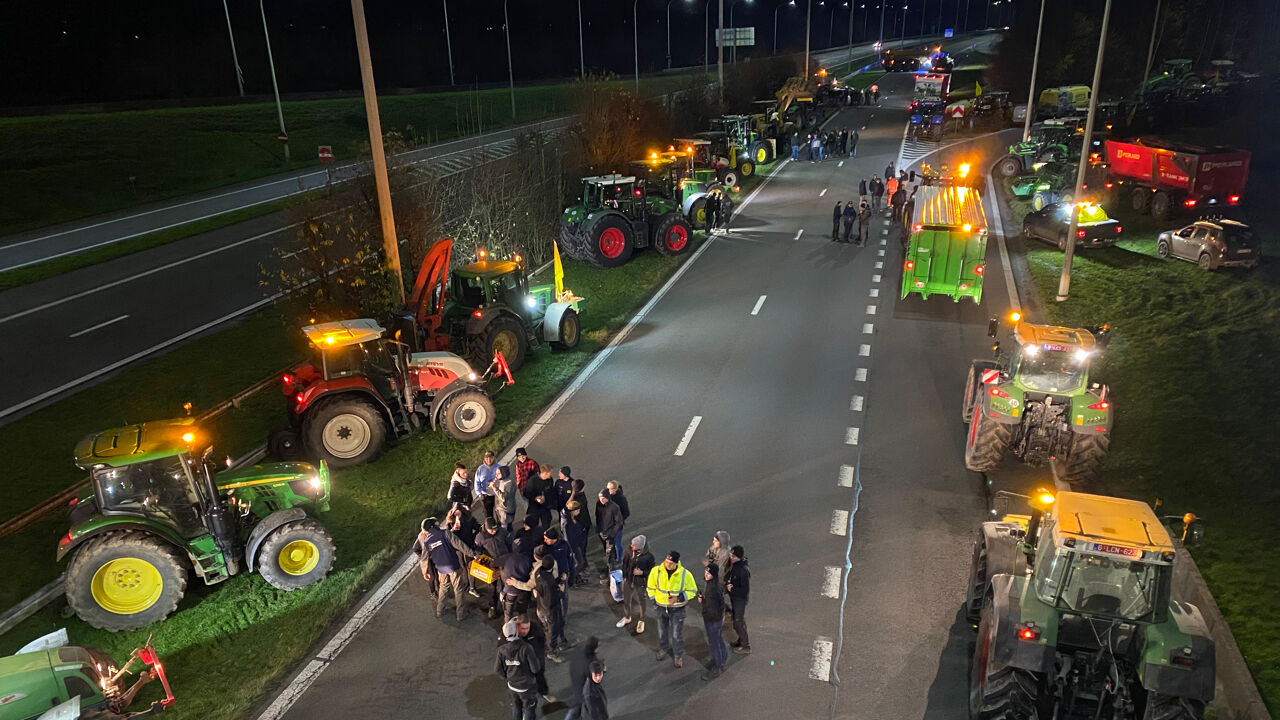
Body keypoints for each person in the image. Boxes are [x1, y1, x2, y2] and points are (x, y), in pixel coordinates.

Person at [647, 550, 699, 668]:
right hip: (661, 607)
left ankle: (678, 655)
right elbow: (650, 587)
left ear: (676, 563)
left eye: (670, 563)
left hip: (677, 609)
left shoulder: (685, 575)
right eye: (666, 562)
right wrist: (654, 601)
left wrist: (678, 598)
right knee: (662, 631)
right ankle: (663, 648)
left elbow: (692, 591)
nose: (667, 565)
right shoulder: (656, 571)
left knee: (676, 634)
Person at [413, 518, 468, 621]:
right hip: (453, 567)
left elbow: (424, 558)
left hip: (441, 569)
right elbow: (460, 545)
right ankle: (461, 614)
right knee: (458, 590)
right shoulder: (445, 533)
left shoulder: (427, 541)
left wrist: (425, 571)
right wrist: (472, 553)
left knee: (443, 587)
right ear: (434, 526)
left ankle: (440, 611)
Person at [496, 619, 541, 720]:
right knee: (529, 707)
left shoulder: (501, 650)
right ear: (516, 631)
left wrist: (508, 677)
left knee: (516, 707)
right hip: (526, 686)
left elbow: (498, 669)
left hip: (512, 685)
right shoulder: (526, 648)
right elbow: (535, 669)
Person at [616, 534, 655, 633]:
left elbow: (652, 571)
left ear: (640, 547)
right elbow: (624, 564)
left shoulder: (649, 557)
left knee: (642, 601)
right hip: (628, 580)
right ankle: (627, 617)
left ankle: (642, 620)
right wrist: (624, 576)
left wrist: (642, 573)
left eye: (634, 545)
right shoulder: (629, 551)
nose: (631, 546)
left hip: (640, 582)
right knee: (626, 599)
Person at [533, 551, 567, 660]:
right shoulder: (548, 582)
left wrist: (559, 580)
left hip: (540, 606)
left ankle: (559, 643)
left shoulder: (539, 572)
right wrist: (561, 591)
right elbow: (551, 598)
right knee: (552, 630)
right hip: (549, 610)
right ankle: (551, 651)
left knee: (550, 628)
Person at [476, 518, 513, 618]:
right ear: (486, 528)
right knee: (492, 587)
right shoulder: (480, 537)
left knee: (507, 584)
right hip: (492, 565)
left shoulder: (503, 532)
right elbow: (478, 551)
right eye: (491, 530)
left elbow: (510, 545)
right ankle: (492, 607)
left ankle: (508, 605)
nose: (494, 531)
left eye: (495, 529)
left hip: (505, 562)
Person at [516, 614, 556, 704]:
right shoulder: (514, 633)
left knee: (540, 675)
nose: (526, 630)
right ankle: (526, 702)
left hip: (536, 658)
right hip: (523, 662)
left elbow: (542, 639)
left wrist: (540, 653)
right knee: (525, 682)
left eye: (528, 628)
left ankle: (544, 692)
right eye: (523, 628)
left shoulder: (535, 627)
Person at [699, 563, 729, 680]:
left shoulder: (712, 588)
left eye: (709, 573)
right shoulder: (713, 584)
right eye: (706, 572)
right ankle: (722, 660)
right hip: (717, 618)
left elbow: (714, 606)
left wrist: (703, 604)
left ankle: (717, 667)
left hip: (712, 619)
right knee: (718, 639)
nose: (706, 574)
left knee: (714, 643)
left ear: (713, 574)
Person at [563, 636, 600, 720]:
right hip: (585, 690)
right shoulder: (591, 661)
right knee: (582, 708)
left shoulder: (579, 654)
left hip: (576, 684)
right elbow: (593, 677)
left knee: (577, 707)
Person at [726, 545, 751, 654]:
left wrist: (732, 589)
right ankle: (741, 640)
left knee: (738, 622)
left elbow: (744, 590)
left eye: (733, 555)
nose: (731, 557)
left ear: (738, 557)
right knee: (738, 620)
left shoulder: (743, 571)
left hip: (739, 600)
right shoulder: (735, 565)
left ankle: (746, 645)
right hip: (735, 598)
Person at [502, 547, 535, 621]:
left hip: (510, 589)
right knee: (522, 611)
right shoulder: (528, 561)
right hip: (522, 590)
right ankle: (522, 626)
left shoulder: (508, 557)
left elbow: (493, 563)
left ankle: (508, 628)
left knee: (508, 612)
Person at [594, 490, 624, 573]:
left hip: (610, 534)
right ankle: (610, 566)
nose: (601, 500)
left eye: (603, 498)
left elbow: (619, 522)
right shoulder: (598, 505)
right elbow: (598, 517)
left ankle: (611, 569)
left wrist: (612, 533)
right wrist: (599, 530)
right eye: (600, 498)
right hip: (602, 532)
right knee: (606, 551)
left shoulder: (614, 507)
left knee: (610, 552)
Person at [564, 500, 592, 588]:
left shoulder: (570, 519)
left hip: (576, 545)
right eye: (577, 510)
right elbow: (569, 538)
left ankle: (576, 578)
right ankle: (571, 580)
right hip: (574, 547)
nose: (579, 512)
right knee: (579, 563)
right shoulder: (567, 523)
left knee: (579, 563)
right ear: (572, 511)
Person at [475, 451, 499, 522]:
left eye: (490, 458)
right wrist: (479, 494)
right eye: (487, 458)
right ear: (484, 459)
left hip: (497, 495)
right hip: (486, 496)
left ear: (494, 458)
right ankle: (491, 528)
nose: (489, 460)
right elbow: (477, 483)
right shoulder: (480, 469)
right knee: (488, 516)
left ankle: (500, 529)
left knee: (500, 514)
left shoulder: (499, 467)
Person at [494, 465, 517, 531]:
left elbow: (503, 497)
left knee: (505, 527)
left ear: (503, 473)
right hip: (500, 508)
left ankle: (507, 538)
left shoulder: (509, 483)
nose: (496, 475)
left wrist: (494, 488)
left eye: (498, 473)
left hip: (506, 510)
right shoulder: (502, 480)